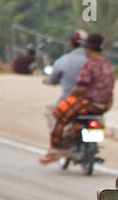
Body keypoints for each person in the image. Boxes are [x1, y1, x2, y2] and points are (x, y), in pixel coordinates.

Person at [41, 33, 113, 164]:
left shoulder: (88, 65)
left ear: (88, 49)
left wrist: (69, 98)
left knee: (59, 114)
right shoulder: (106, 64)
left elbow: (81, 88)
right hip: (104, 104)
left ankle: (58, 147)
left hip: (90, 103)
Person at [43, 30, 88, 130]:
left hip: (68, 102)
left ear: (71, 44)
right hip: (91, 103)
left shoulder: (63, 60)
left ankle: (56, 139)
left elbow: (52, 80)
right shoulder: (95, 61)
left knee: (49, 110)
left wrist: (47, 80)